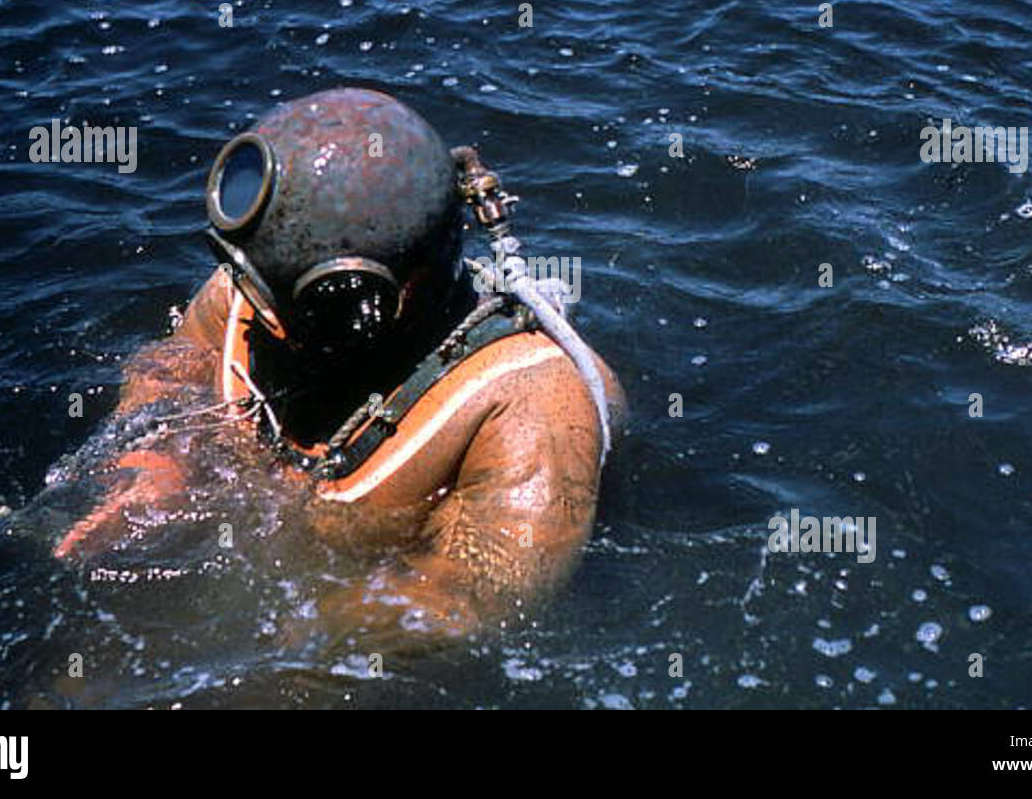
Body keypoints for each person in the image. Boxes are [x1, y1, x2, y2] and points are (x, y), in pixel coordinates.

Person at [52, 87, 624, 654]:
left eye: (286, 310)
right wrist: (157, 462)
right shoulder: (259, 283)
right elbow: (170, 371)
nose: (258, 317)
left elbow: (473, 599)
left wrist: (290, 642)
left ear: (372, 297)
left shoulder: (532, 400)